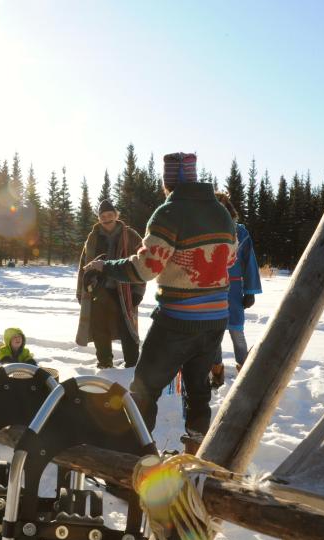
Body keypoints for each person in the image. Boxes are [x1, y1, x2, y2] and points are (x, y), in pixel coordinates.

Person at [84, 152, 236, 451]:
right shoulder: (221, 213)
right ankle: (196, 451)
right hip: (216, 317)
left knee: (144, 387)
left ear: (168, 182)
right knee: (198, 388)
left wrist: (106, 266)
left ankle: (135, 455)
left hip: (179, 320)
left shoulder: (169, 213)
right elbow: (228, 259)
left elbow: (145, 268)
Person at [76, 201, 144, 368]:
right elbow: (82, 266)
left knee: (128, 329)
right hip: (99, 290)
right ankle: (104, 363)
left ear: (116, 215)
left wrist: (138, 292)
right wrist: (81, 290)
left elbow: (143, 264)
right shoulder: (92, 238)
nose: (106, 219)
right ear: (99, 218)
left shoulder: (131, 235)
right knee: (100, 329)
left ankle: (132, 366)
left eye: (109, 215)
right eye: (103, 216)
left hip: (125, 290)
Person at [208, 191, 262, 387]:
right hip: (211, 290)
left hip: (234, 288)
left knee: (237, 332)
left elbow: (250, 263)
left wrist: (250, 291)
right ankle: (217, 373)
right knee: (214, 334)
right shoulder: (205, 232)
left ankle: (244, 375)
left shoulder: (240, 232)